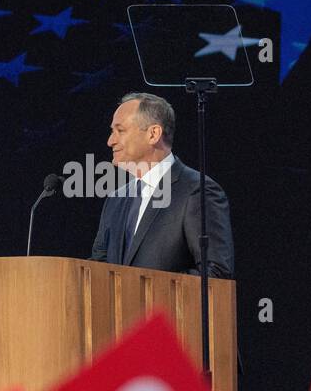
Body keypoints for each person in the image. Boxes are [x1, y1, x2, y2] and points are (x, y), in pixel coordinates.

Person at [90, 92, 234, 278]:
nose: (111, 141)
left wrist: (148, 288)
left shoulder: (197, 191)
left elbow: (216, 273)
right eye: (112, 131)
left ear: (153, 134)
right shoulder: (116, 199)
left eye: (120, 130)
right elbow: (98, 266)